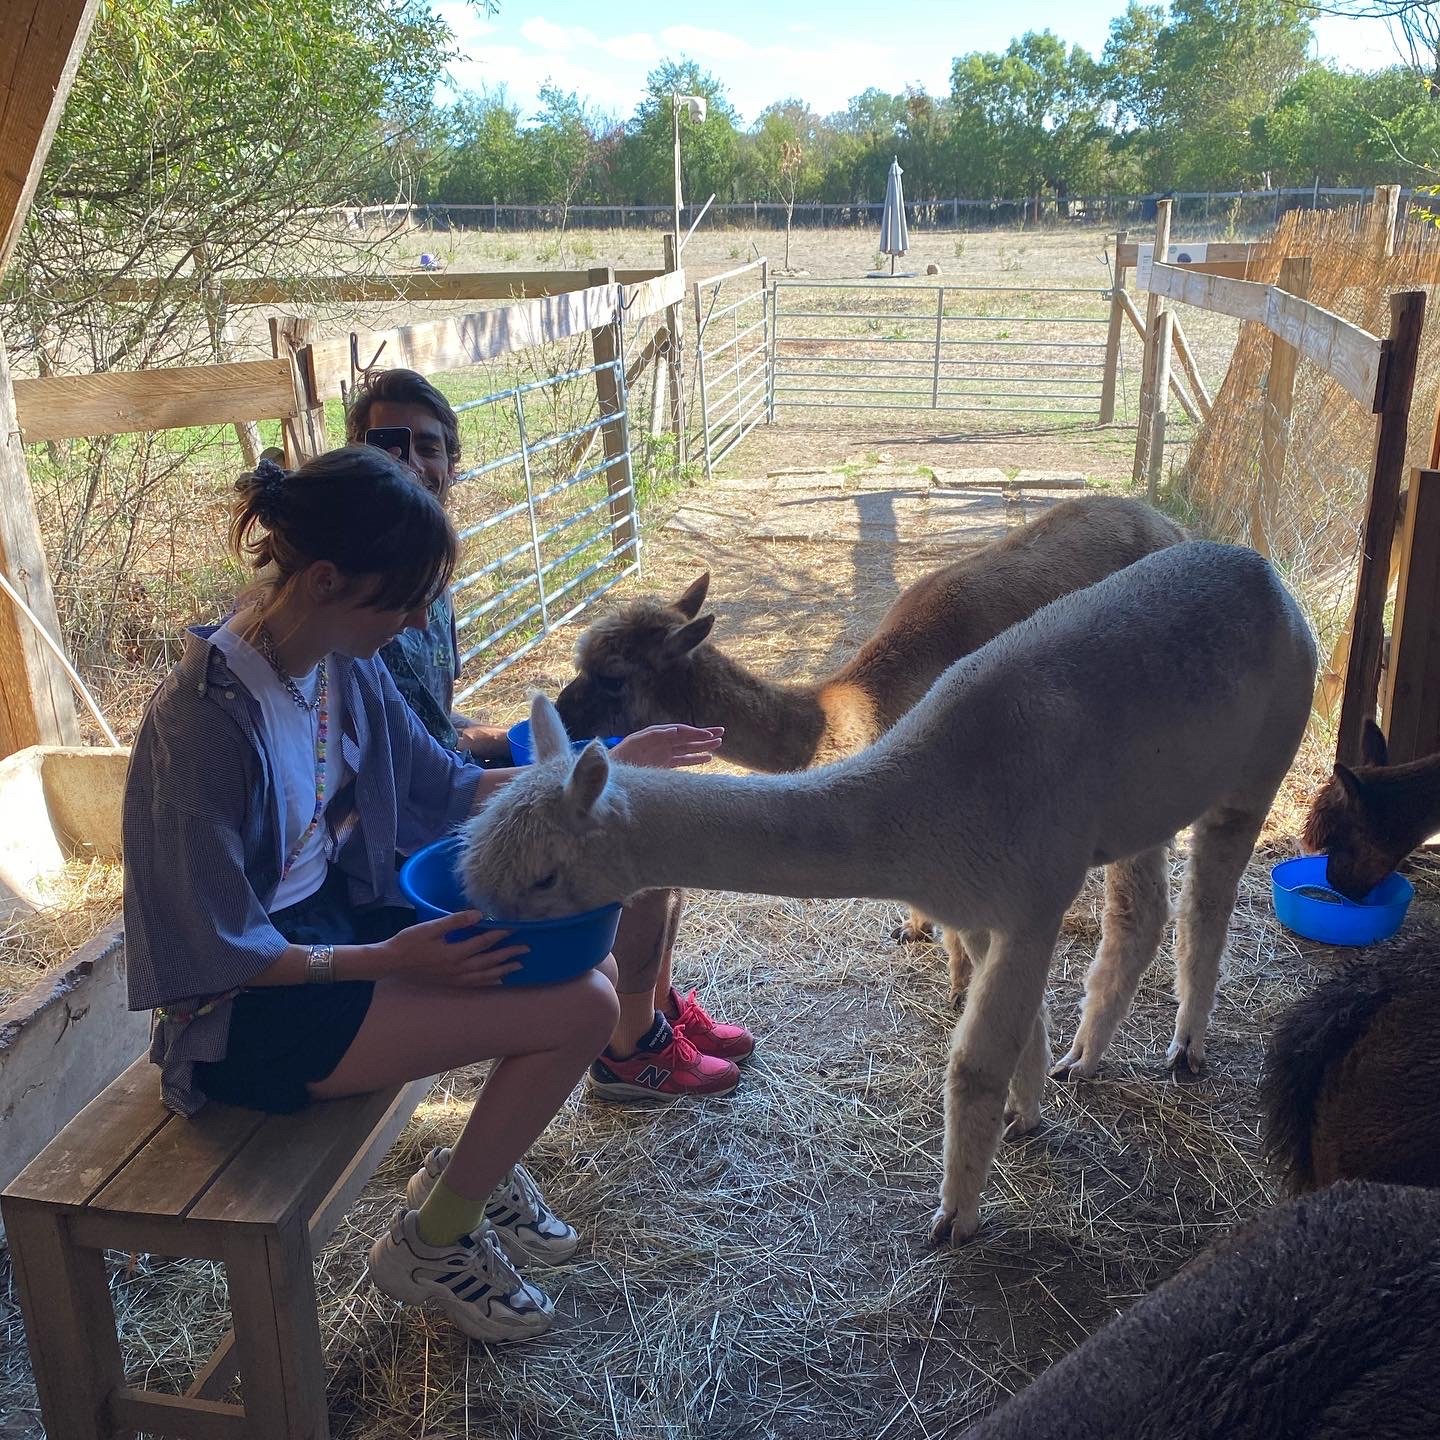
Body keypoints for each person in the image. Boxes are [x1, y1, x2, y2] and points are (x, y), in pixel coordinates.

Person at [122, 446, 719, 1344]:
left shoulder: (334, 661)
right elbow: (205, 947)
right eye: (399, 601)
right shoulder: (202, 720)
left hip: (341, 927)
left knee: (579, 961)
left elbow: (443, 785)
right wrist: (390, 959)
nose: (408, 625)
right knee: (579, 1013)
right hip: (249, 1010)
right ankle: (431, 1244)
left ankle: (469, 1174)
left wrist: (599, 771)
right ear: (325, 579)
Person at [344, 368, 757, 1102]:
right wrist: (590, 767)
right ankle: (629, 1049)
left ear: (453, 462)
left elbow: (427, 728)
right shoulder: (363, 594)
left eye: (430, 446)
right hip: (402, 828)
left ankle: (654, 1008)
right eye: (389, 444)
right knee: (634, 853)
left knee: (651, 816)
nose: (414, 461)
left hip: (438, 776)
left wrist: (491, 738)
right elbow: (406, 773)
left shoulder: (423, 585)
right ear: (358, 458)